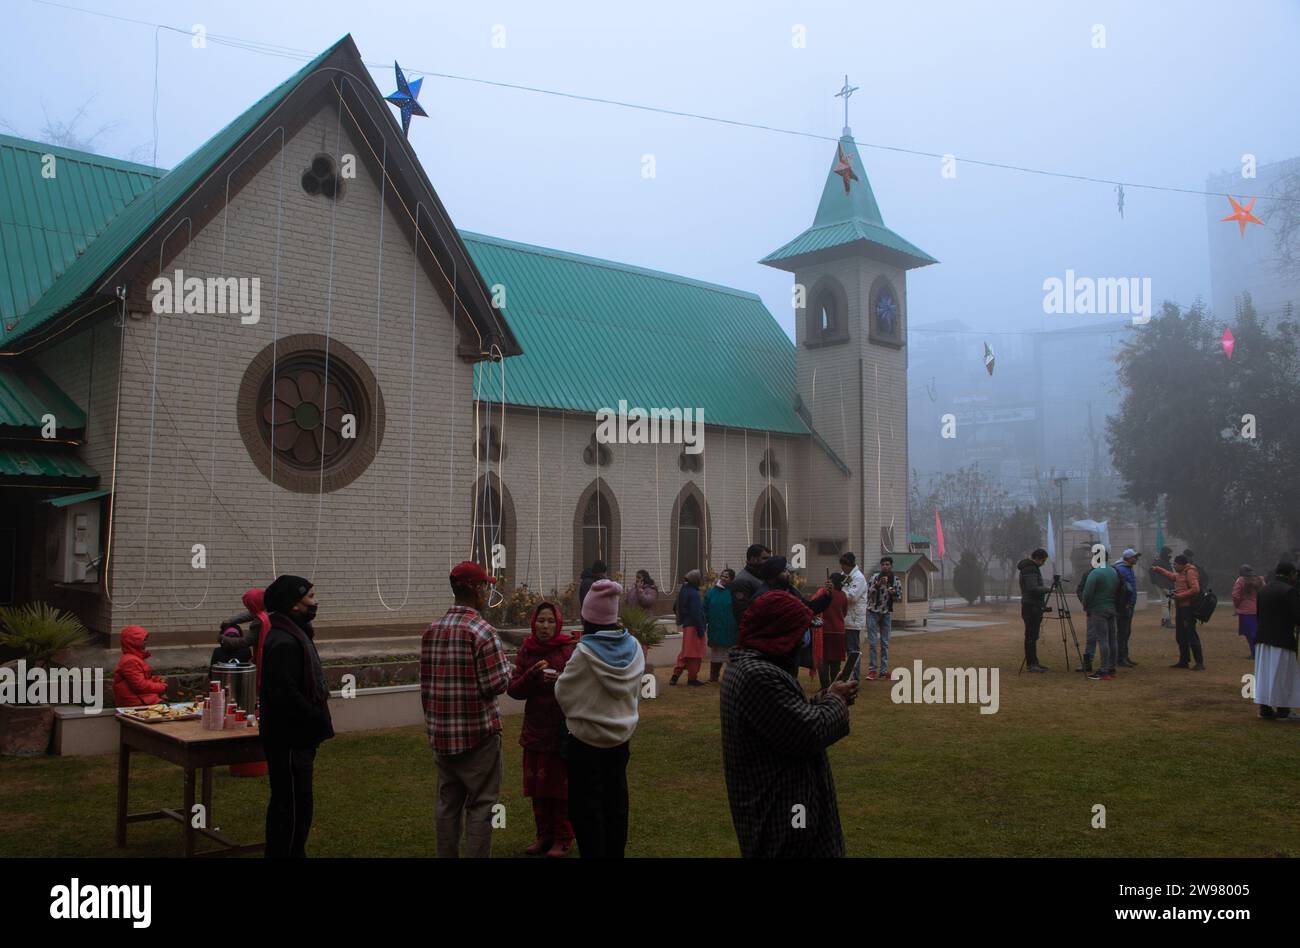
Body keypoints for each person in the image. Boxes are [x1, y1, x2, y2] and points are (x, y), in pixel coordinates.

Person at [719, 590, 859, 857]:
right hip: (783, 819)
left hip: (786, 810)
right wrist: (837, 701)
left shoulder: (755, 667)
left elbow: (786, 718)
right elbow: (807, 732)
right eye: (801, 633)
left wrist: (823, 698)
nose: (804, 641)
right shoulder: (758, 674)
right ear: (780, 634)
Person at [421, 561, 511, 859]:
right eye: (485, 585)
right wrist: (512, 669)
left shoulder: (432, 630)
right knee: (481, 806)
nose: (487, 590)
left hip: (443, 738)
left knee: (447, 806)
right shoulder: (482, 631)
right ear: (474, 589)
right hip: (479, 738)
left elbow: (427, 684)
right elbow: (496, 684)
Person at [554, 579, 645, 859]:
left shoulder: (584, 652)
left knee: (586, 810)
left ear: (588, 617)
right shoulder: (635, 647)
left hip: (586, 743)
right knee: (616, 803)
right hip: (620, 742)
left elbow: (564, 691)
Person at [259, 574, 334, 858]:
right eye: (310, 598)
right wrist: (313, 716)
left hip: (295, 738)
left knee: (294, 803)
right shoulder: (285, 641)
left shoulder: (293, 634)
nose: (316, 603)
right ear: (293, 605)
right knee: (291, 805)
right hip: (289, 739)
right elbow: (285, 693)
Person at [506, 601, 576, 858]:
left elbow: (578, 687)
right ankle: (543, 835)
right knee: (538, 787)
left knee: (560, 789)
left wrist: (561, 680)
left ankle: (563, 838)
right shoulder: (527, 650)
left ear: (557, 623)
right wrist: (532, 677)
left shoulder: (567, 650)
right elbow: (514, 690)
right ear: (533, 622)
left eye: (549, 621)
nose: (544, 626)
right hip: (535, 728)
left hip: (560, 730)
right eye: (540, 620)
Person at [1253, 561, 1300, 720]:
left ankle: (1264, 708)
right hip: (1281, 639)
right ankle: (1283, 710)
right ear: (1291, 574)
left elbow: (1258, 614)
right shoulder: (1289, 591)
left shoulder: (1263, 590)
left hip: (1263, 637)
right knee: (1282, 675)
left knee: (1264, 674)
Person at [1152, 554, 1205, 670]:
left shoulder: (1190, 572)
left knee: (1191, 634)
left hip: (1188, 608)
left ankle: (1199, 663)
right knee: (1180, 635)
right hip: (1181, 607)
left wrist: (1180, 596)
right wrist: (1158, 569)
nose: (1174, 566)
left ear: (1181, 564)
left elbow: (1196, 589)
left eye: (1175, 564)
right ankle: (1184, 661)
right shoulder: (1181, 573)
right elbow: (1172, 576)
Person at [1081, 552, 1121, 681]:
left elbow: (1087, 593)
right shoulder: (1113, 571)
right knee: (1112, 639)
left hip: (1098, 609)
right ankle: (1111, 667)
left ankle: (1103, 670)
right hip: (1111, 608)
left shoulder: (1095, 573)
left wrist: (1086, 606)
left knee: (1103, 640)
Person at [865, 556, 902, 681]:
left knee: (885, 643)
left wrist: (893, 593)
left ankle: (884, 671)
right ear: (881, 566)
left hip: (886, 613)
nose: (885, 566)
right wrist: (878, 584)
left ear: (891, 566)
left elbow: (899, 597)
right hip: (872, 612)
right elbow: (868, 592)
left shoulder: (895, 580)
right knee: (873, 643)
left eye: (887, 564)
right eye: (883, 564)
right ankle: (872, 671)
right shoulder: (875, 577)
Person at [112, 626, 169, 707]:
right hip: (136, 702)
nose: (146, 642)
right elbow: (140, 686)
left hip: (141, 699)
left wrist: (156, 680)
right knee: (168, 710)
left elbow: (141, 678)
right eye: (143, 640)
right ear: (133, 642)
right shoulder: (130, 661)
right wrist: (161, 687)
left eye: (146, 639)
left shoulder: (134, 658)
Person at [670, 570, 709, 687]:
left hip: (687, 625)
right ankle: (692, 678)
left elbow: (675, 607)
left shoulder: (683, 590)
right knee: (695, 654)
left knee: (686, 652)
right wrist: (701, 629)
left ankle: (675, 675)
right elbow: (696, 613)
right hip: (695, 626)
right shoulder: (694, 593)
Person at [1017, 549, 1050, 672]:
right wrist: (1047, 589)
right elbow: (1032, 588)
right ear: (1037, 558)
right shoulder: (1030, 569)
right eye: (1043, 560)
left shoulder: (1029, 568)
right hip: (1031, 606)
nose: (1043, 563)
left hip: (1032, 605)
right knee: (1031, 636)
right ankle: (1031, 664)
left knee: (1033, 635)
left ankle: (1034, 662)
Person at [704, 568, 738, 683]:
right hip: (715, 628)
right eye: (722, 576)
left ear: (732, 579)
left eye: (726, 576)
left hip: (730, 629)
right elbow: (705, 608)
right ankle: (713, 677)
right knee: (716, 654)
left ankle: (731, 678)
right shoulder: (711, 592)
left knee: (730, 654)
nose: (723, 578)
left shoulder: (735, 593)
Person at [817, 572, 849, 688]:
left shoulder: (823, 593)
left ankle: (825, 686)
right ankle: (834, 686)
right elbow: (844, 612)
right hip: (839, 631)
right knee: (836, 662)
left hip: (825, 630)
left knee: (823, 660)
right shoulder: (843, 595)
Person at [839, 553, 868, 682]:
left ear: (849, 564)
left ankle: (854, 678)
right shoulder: (844, 575)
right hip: (845, 618)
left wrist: (839, 590)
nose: (842, 568)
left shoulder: (859, 578)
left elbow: (852, 597)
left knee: (853, 650)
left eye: (843, 565)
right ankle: (847, 676)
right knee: (846, 650)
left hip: (854, 619)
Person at [730, 544, 771, 624]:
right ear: (753, 559)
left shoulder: (761, 576)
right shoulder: (742, 581)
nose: (768, 562)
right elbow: (742, 615)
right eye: (765, 558)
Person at [1115, 549, 1140, 668]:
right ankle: (1120, 658)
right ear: (1128, 558)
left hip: (1129, 604)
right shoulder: (1122, 569)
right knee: (1122, 632)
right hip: (1124, 605)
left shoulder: (1127, 568)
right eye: (1134, 557)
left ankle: (1124, 656)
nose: (1136, 559)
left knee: (1126, 632)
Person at [1232, 565, 1265, 658]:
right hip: (1259, 609)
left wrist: (1237, 605)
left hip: (1246, 611)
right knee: (1257, 632)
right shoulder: (1260, 580)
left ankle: (1255, 653)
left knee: (1249, 634)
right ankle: (1259, 652)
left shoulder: (1241, 580)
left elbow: (1235, 595)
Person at [1150, 546, 1175, 628]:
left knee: (1167, 602)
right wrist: (1162, 587)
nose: (1170, 556)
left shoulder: (1164, 562)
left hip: (1167, 586)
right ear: (1165, 554)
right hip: (1163, 586)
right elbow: (1157, 578)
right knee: (1165, 603)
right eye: (1169, 554)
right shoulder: (1159, 563)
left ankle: (1164, 620)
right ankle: (1167, 621)